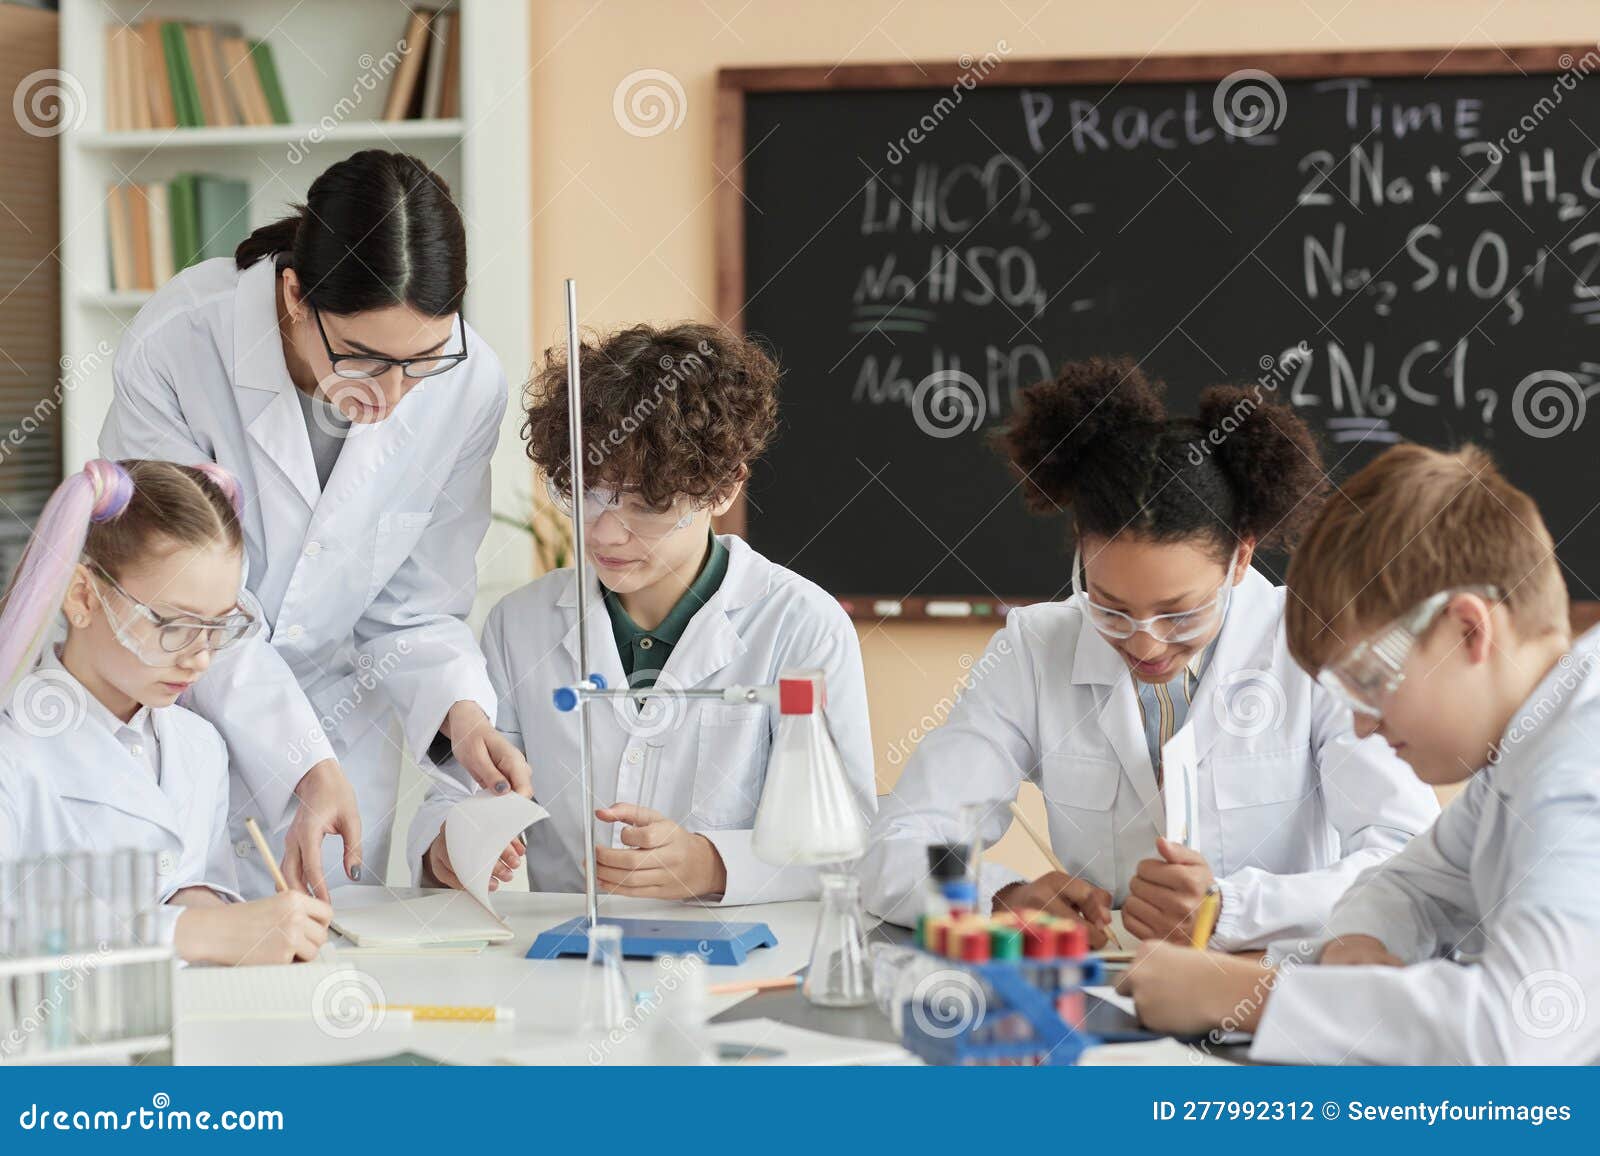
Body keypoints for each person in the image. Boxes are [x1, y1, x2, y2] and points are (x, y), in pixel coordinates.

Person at [860, 358, 1438, 950]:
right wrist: (998, 896)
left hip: (1272, 995)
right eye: (1109, 607)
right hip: (1103, 998)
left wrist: (1232, 909)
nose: (1144, 642)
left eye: (1180, 613)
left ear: (1241, 556)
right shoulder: (1036, 649)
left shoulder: (1313, 642)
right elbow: (896, 850)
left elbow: (1411, 865)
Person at [99, 150, 528, 898]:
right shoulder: (181, 342)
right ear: (295, 295)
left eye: (421, 360)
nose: (392, 393)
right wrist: (299, 758)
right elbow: (180, 596)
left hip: (343, 722)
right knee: (174, 951)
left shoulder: (469, 384)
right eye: (362, 357)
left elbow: (418, 605)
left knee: (327, 970)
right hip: (175, 694)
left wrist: (463, 717)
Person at [1118, 444, 1600, 1064]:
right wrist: (1360, 945)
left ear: (1469, 631)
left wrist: (1251, 993)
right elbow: (1409, 885)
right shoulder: (1524, 749)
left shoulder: (1577, 762)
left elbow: (1521, 1028)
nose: (1364, 727)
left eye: (1368, 683)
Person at [410, 322, 875, 904]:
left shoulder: (801, 625)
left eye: (644, 504)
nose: (605, 532)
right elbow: (457, 796)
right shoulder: (519, 625)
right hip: (566, 964)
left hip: (735, 961)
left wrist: (712, 866)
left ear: (724, 489)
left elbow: (850, 841)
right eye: (588, 493)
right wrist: (450, 848)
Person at [0, 460, 330, 964]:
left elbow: (192, 885)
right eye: (173, 624)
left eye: (219, 627)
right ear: (83, 596)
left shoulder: (198, 747)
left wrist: (209, 907)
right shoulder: (14, 750)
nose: (199, 657)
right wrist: (194, 933)